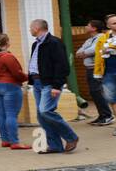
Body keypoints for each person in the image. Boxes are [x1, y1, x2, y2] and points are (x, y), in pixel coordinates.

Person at [29, 18, 79, 154]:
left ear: (37, 28)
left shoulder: (54, 42)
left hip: (49, 83)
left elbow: (62, 66)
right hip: (37, 82)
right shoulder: (36, 44)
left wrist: (57, 85)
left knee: (46, 111)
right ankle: (55, 145)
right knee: (41, 116)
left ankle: (71, 137)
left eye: (31, 27)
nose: (30, 30)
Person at [0, 34, 31, 150]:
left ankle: (5, 140)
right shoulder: (7, 56)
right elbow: (17, 73)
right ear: (6, 43)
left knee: (2, 114)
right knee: (11, 114)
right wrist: (29, 77)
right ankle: (15, 142)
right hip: (10, 86)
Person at [76, 19, 115, 126]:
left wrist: (85, 53)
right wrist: (85, 53)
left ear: (94, 28)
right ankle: (102, 115)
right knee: (94, 92)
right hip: (89, 69)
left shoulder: (102, 37)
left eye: (87, 25)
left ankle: (107, 116)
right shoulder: (89, 40)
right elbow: (78, 52)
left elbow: (95, 50)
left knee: (97, 91)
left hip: (96, 69)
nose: (85, 27)